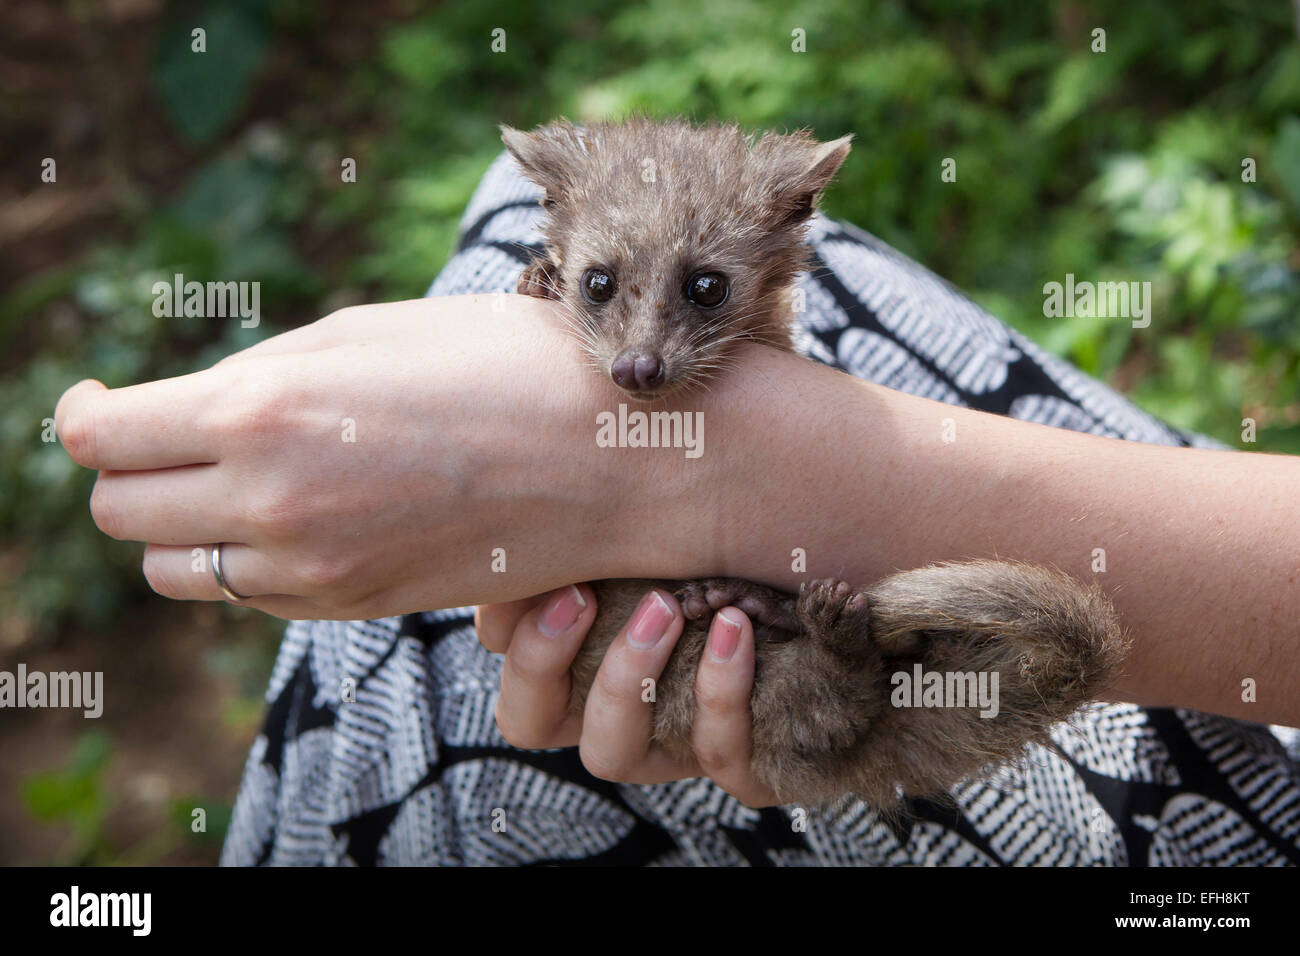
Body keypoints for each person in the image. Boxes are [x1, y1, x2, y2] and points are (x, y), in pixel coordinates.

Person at [56, 150, 1300, 865]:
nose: (644, 354)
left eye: (703, 296)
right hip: (915, 631)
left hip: (896, 684)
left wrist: (711, 482)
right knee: (498, 248)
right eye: (600, 290)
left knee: (429, 640)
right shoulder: (617, 260)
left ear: (780, 240)